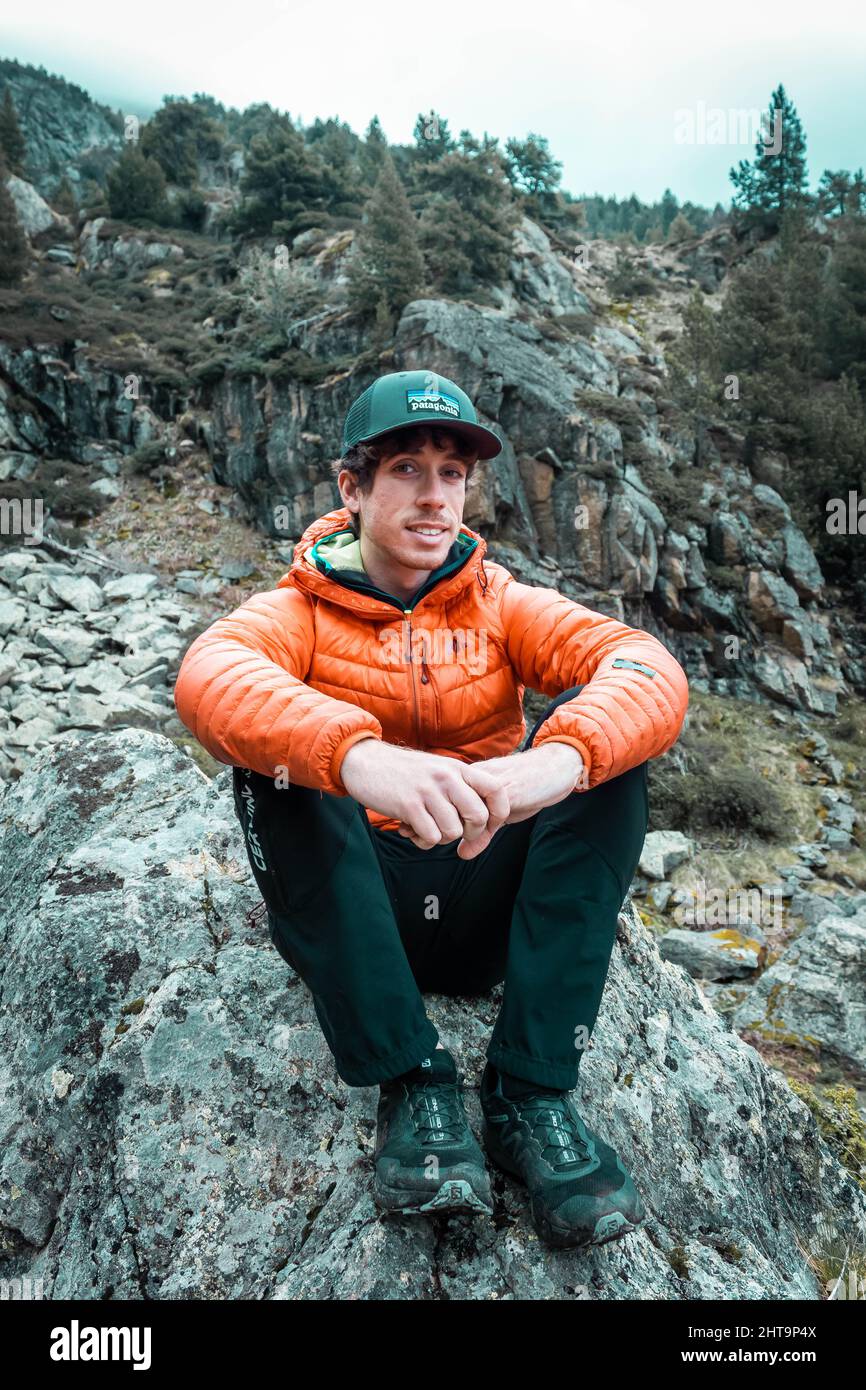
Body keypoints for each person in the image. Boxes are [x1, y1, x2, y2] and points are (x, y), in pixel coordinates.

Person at [174, 368, 689, 1249]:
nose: (435, 496)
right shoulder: (297, 609)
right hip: (360, 909)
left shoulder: (501, 603)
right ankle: (414, 1079)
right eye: (407, 469)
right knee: (279, 770)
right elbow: (212, 678)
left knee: (610, 769)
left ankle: (530, 1094)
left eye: (452, 473)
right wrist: (357, 755)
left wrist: (557, 761)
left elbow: (644, 665)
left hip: (479, 893)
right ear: (352, 487)